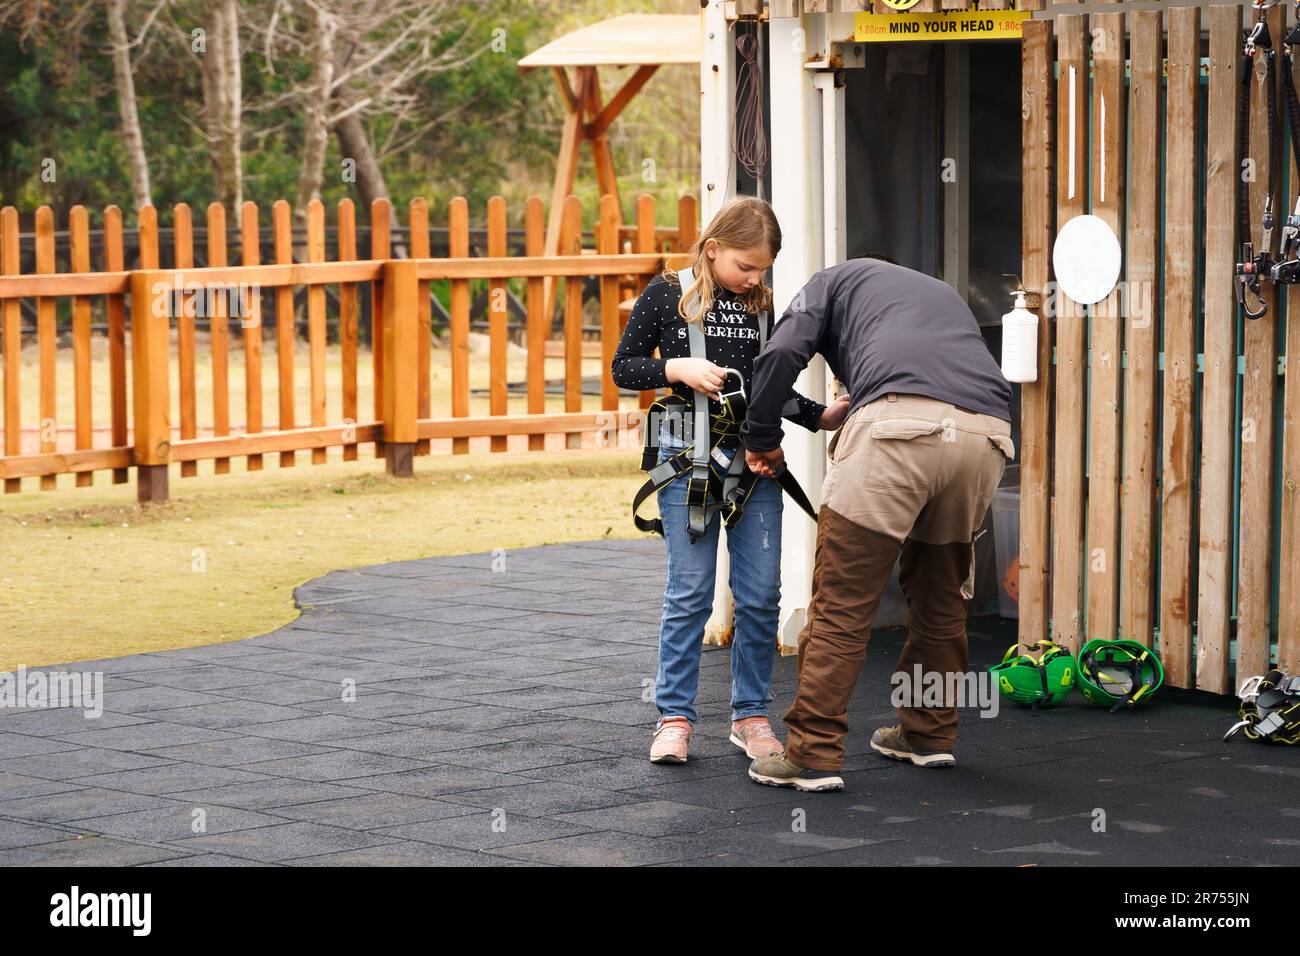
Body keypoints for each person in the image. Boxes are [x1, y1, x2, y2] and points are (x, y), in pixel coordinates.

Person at [739, 255, 1014, 792]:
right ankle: (928, 736)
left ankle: (812, 755)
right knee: (941, 597)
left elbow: (779, 354)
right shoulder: (938, 292)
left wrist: (761, 436)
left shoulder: (829, 283)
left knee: (842, 600)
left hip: (896, 428)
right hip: (986, 435)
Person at [610, 196, 851, 765]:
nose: (754, 278)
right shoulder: (667, 294)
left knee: (762, 594)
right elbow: (624, 367)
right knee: (690, 593)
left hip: (755, 471)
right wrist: (675, 368)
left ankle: (750, 716)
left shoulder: (765, 309)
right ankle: (674, 717)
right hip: (685, 466)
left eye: (763, 269)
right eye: (745, 266)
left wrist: (818, 416)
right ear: (712, 249)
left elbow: (770, 389)